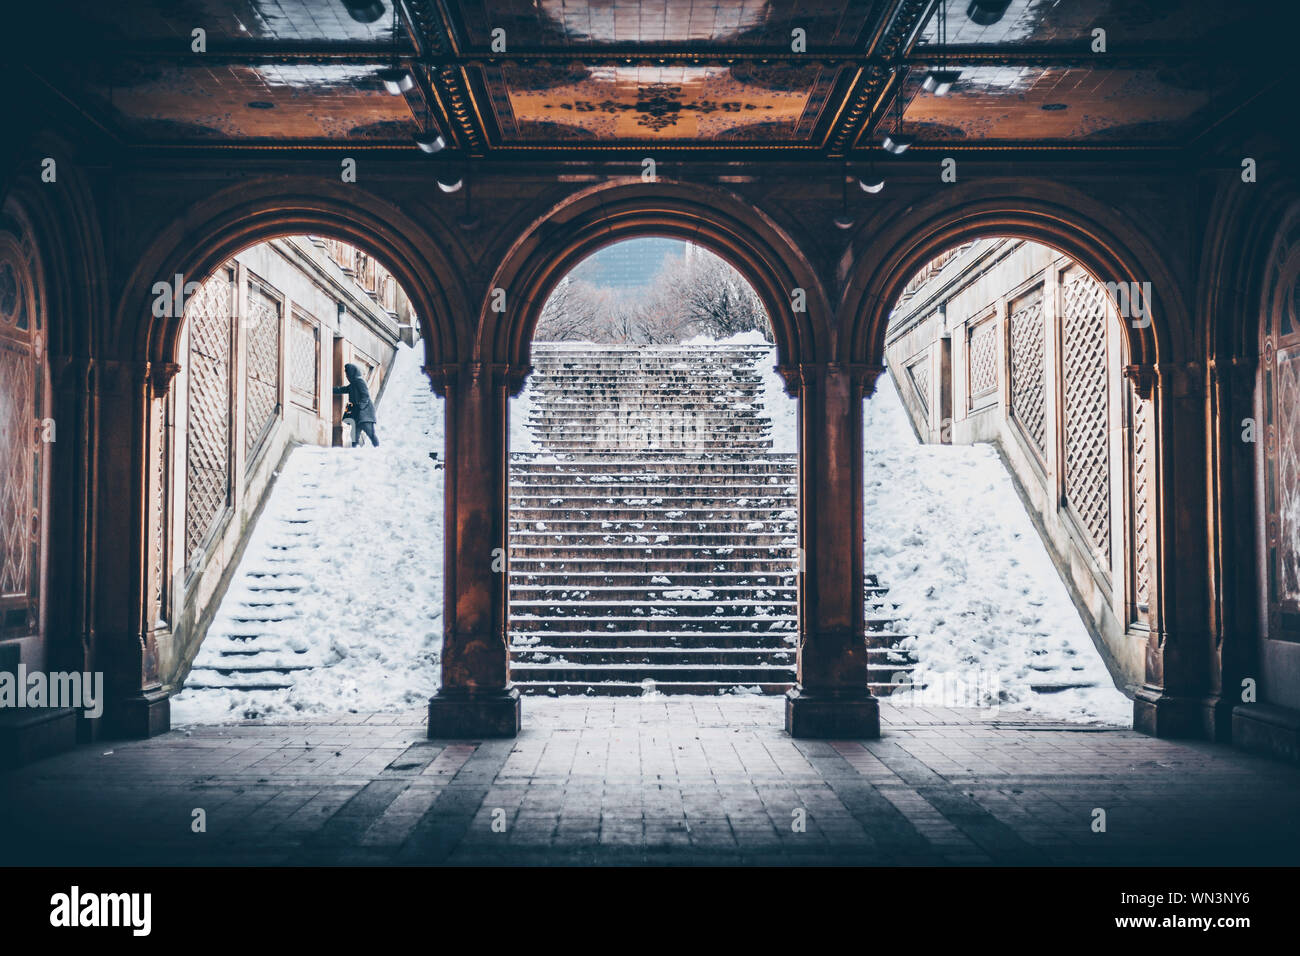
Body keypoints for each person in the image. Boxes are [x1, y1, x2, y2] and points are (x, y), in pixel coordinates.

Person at [334, 362, 379, 447]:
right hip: (357, 415)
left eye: (347, 373)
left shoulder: (359, 381)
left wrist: (360, 406)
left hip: (365, 414)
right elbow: (343, 389)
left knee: (371, 434)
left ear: (352, 373)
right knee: (354, 436)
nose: (347, 376)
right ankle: (354, 452)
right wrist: (331, 389)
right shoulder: (353, 384)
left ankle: (378, 449)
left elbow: (365, 395)